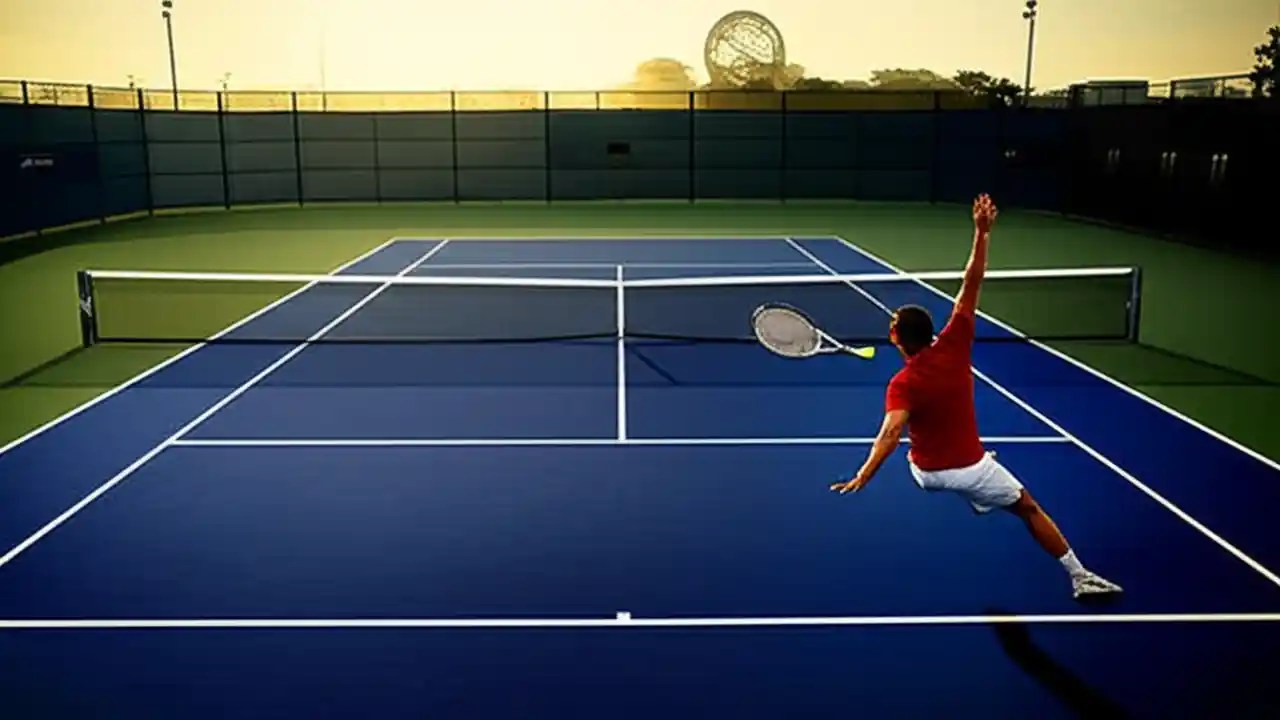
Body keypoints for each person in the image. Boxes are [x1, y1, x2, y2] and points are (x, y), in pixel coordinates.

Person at [830, 194, 1122, 601]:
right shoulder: (956, 341)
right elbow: (972, 279)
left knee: (943, 469)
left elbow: (891, 434)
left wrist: (863, 475)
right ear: (930, 330)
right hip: (971, 469)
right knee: (1029, 509)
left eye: (892, 325)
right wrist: (981, 232)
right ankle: (1080, 577)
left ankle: (981, 497)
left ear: (895, 339)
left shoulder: (901, 384)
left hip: (925, 475)